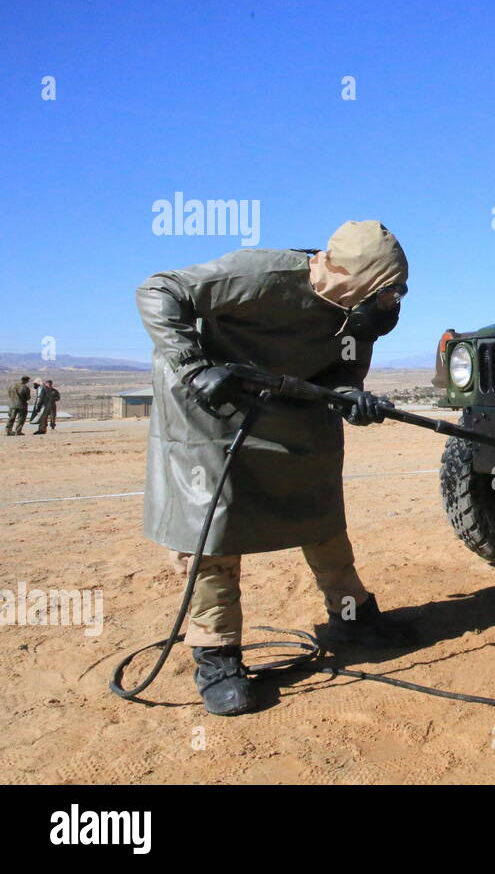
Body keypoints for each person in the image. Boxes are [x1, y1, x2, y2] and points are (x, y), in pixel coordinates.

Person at [136, 220, 416, 716]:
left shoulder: (358, 311)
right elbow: (160, 289)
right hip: (210, 404)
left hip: (291, 397)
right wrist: (194, 367)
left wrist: (350, 394)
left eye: (397, 293)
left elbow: (345, 364)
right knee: (213, 521)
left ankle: (351, 616)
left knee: (320, 503)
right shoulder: (259, 274)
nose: (393, 303)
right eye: (386, 292)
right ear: (349, 276)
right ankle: (216, 653)